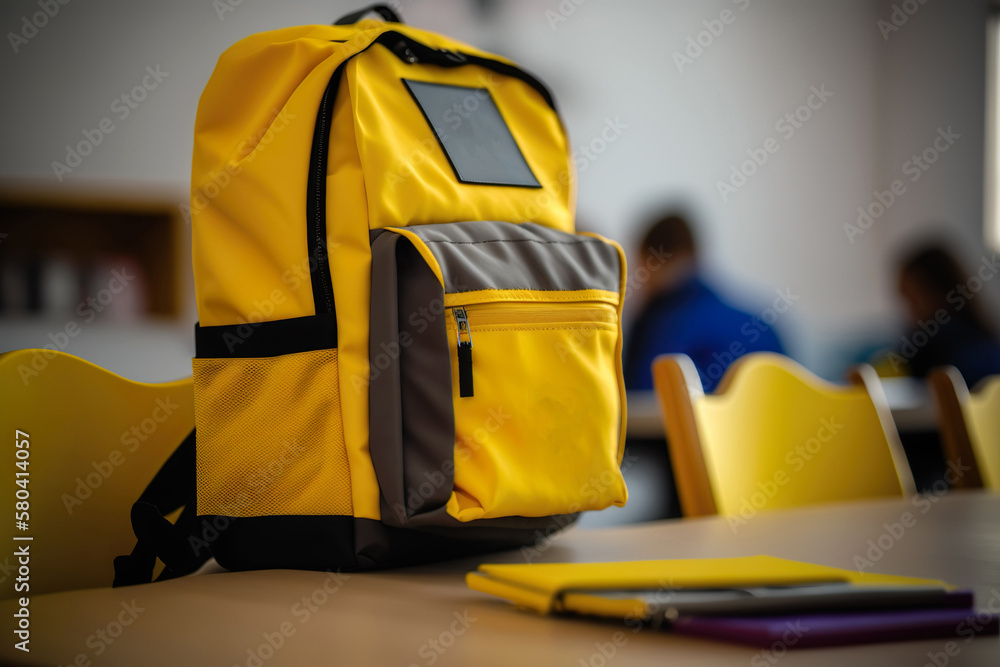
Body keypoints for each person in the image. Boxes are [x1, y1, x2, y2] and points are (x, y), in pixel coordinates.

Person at [623, 212, 784, 392]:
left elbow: (642, 402)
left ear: (649, 261)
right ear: (694, 254)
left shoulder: (660, 328)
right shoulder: (764, 325)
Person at [892, 242, 1000, 387]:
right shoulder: (980, 331)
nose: (908, 312)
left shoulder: (932, 345)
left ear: (935, 293)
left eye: (912, 301)